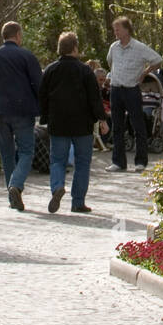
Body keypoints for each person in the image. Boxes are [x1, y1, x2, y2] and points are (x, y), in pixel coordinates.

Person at [39, 31, 108, 214]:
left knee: (57, 161)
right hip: (82, 124)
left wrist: (45, 118)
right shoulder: (85, 71)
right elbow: (95, 98)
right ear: (75, 48)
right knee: (83, 162)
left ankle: (57, 187)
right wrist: (102, 119)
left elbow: (43, 97)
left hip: (58, 122)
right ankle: (78, 202)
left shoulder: (50, 70)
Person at [0, 20, 42, 211]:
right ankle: (15, 185)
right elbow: (38, 84)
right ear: (17, 35)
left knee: (7, 154)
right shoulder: (26, 56)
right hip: (22, 111)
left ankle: (11, 195)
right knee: (26, 151)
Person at [106, 16, 161, 173]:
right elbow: (110, 63)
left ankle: (140, 162)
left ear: (126, 30)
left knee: (138, 125)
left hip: (132, 89)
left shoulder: (139, 47)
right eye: (114, 29)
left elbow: (157, 59)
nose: (115, 31)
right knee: (117, 126)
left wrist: (145, 72)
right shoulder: (113, 47)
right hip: (116, 89)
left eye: (118, 29)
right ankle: (118, 162)